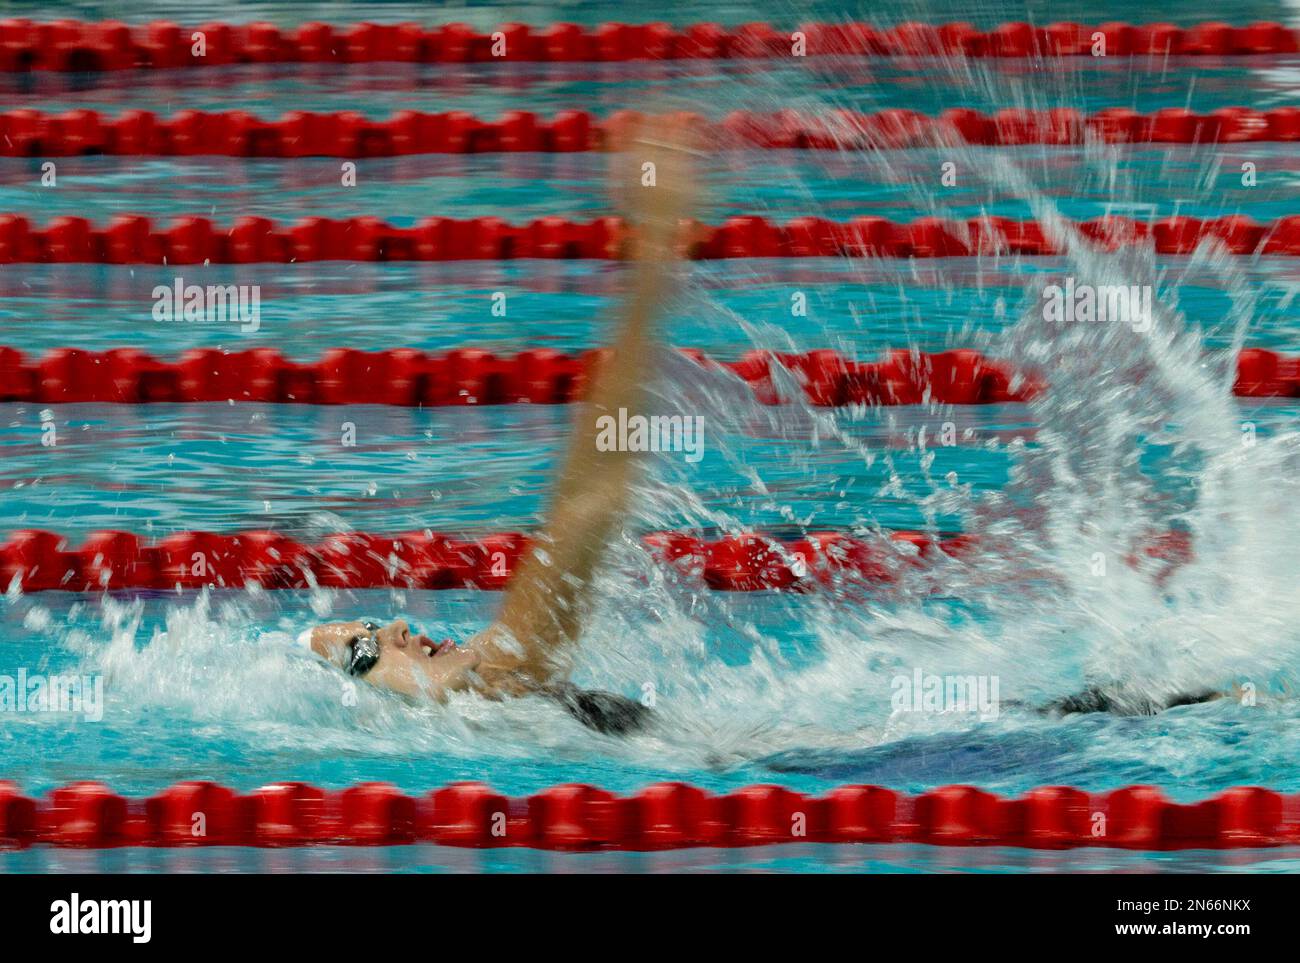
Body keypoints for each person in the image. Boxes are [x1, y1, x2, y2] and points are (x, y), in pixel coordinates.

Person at [298, 119, 699, 735]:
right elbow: (592, 498)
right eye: (369, 652)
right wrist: (654, 254)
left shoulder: (492, 696)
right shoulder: (494, 683)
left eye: (376, 627)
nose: (399, 628)